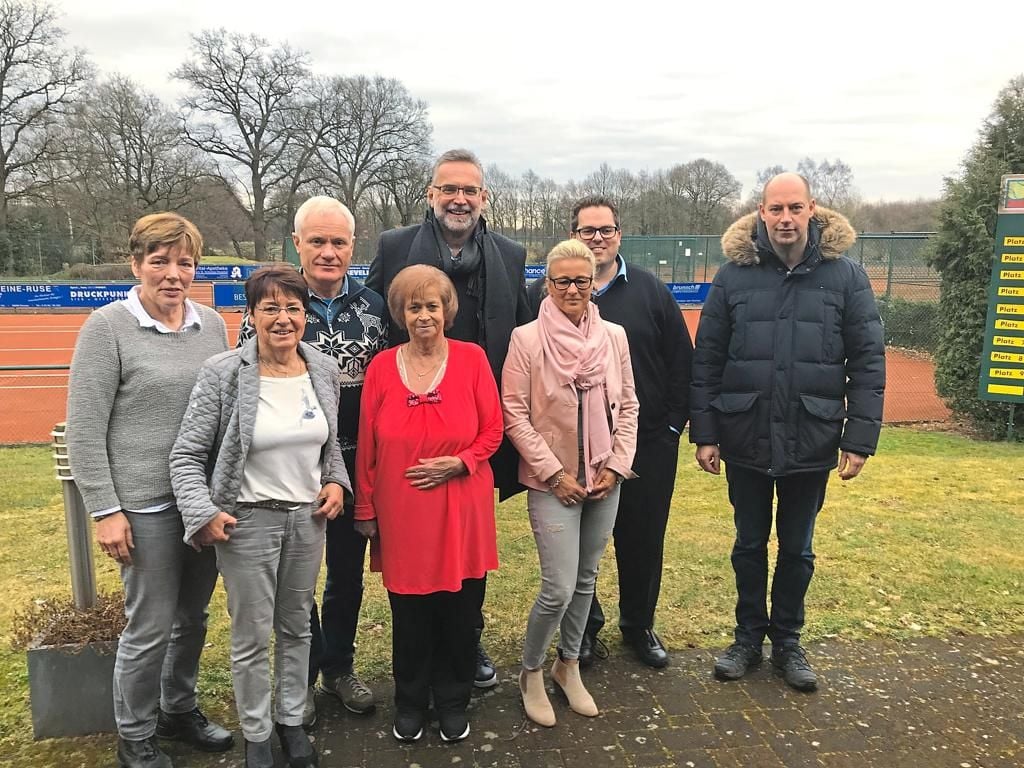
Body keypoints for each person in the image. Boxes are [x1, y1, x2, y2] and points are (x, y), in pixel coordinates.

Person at [690, 172, 885, 692]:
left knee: (797, 549)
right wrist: (705, 432)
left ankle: (788, 643)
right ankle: (747, 639)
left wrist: (858, 438)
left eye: (794, 208)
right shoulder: (733, 276)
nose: (784, 218)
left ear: (811, 210)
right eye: (775, 209)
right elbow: (707, 359)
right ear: (761, 212)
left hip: (812, 436)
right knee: (748, 543)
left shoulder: (846, 277)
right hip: (745, 433)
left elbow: (867, 361)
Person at [66, 213, 232, 768]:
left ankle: (177, 710)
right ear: (136, 264)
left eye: (184, 262)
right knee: (150, 625)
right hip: (143, 507)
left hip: (199, 502)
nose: (172, 274)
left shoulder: (211, 325)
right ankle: (134, 734)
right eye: (159, 261)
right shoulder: (106, 327)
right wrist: (106, 510)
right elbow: (86, 428)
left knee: (193, 618)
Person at [171, 265, 351, 768]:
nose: (283, 318)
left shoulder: (322, 369)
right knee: (251, 636)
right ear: (251, 315)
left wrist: (336, 482)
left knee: (296, 628)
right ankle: (257, 732)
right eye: (269, 308)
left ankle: (291, 721)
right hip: (246, 523)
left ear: (306, 315)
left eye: (293, 308)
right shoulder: (224, 372)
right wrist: (203, 512)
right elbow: (186, 455)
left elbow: (329, 447)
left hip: (306, 522)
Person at [367, 148, 530, 689]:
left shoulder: (508, 253)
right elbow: (373, 321)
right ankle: (419, 666)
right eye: (448, 189)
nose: (459, 199)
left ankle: (467, 644)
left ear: (484, 199)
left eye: (470, 190)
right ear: (432, 195)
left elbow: (521, 335)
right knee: (413, 553)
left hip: (476, 427)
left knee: (466, 547)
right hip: (406, 427)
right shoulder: (394, 247)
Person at [237, 196, 386, 727]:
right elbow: (242, 389)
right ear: (296, 243)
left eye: (338, 242)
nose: (328, 251)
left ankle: (338, 667)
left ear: (353, 245)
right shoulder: (272, 307)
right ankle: (303, 671)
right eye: (317, 241)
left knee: (346, 575)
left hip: (351, 473)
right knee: (291, 583)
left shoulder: (376, 307)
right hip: (284, 476)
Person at [529, 196, 693, 669]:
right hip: (572, 455)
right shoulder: (548, 296)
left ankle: (639, 626)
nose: (597, 237)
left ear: (619, 235)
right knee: (583, 551)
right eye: (587, 230)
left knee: (642, 541)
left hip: (645, 447)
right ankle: (585, 633)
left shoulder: (650, 291)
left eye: (606, 229)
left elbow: (681, 363)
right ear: (573, 235)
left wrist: (668, 428)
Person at [354, 264, 503, 743]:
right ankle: (412, 700)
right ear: (400, 313)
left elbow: (493, 431)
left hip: (462, 508)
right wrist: (365, 509)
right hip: (403, 515)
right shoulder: (380, 368)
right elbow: (367, 446)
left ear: (447, 311)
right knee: (412, 616)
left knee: (460, 613)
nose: (424, 315)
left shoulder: (473, 359)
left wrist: (459, 462)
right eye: (414, 307)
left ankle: (454, 698)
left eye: (432, 306)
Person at [504, 240, 639, 726]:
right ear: (548, 284)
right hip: (552, 482)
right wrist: (554, 473)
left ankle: (569, 664)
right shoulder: (527, 339)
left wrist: (617, 466)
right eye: (562, 281)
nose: (572, 289)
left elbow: (630, 405)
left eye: (581, 280)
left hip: (605, 477)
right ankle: (531, 671)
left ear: (593, 282)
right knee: (557, 587)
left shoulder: (615, 337)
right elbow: (514, 414)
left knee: (586, 580)